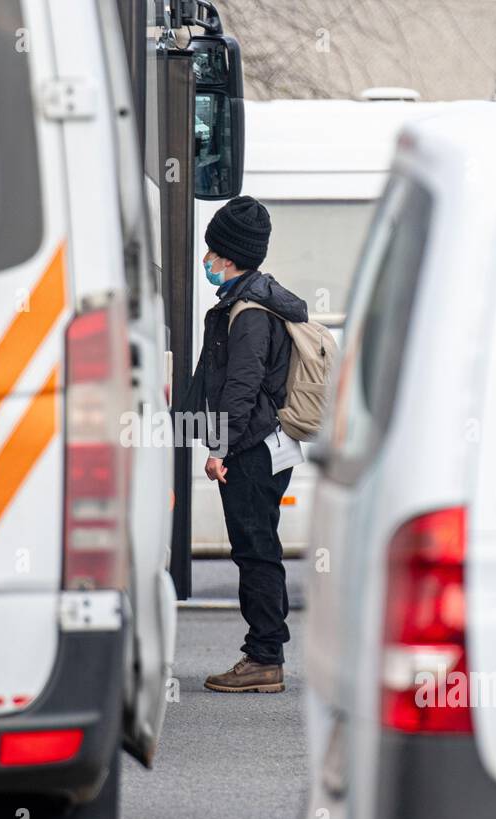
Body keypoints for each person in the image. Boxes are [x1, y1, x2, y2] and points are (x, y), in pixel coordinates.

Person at [178, 196, 310, 693]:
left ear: (228, 256)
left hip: (251, 449)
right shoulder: (254, 302)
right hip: (262, 444)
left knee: (255, 550)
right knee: (259, 547)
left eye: (211, 251)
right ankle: (265, 652)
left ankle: (264, 658)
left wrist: (218, 449)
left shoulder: (250, 312)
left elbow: (242, 387)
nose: (206, 260)